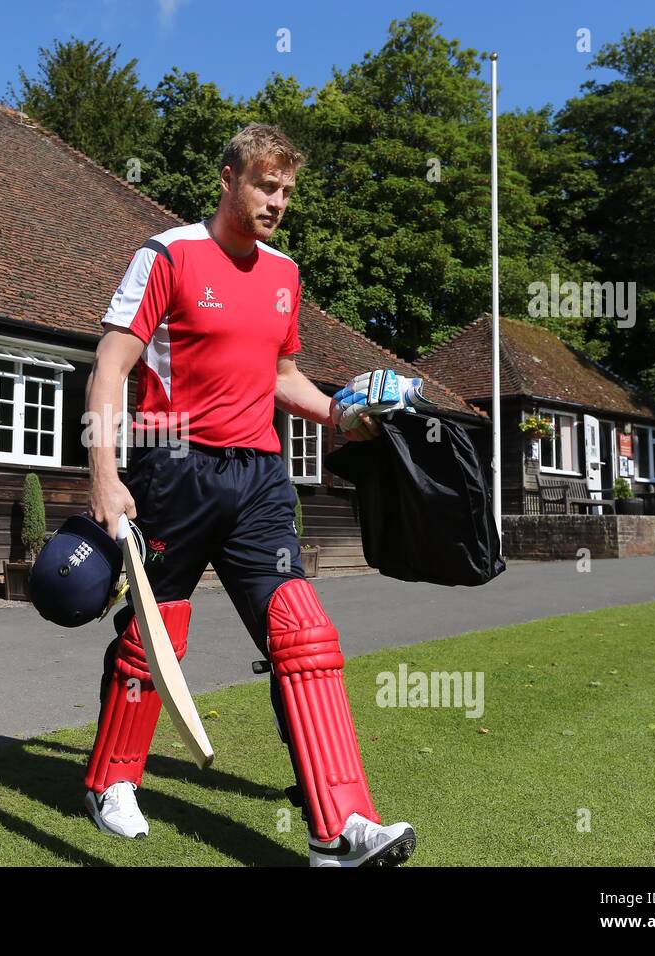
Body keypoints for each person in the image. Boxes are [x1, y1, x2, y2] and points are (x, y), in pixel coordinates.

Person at [82, 123, 415, 867]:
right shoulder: (166, 254)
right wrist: (104, 475)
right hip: (172, 464)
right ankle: (112, 783)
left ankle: (343, 826)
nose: (278, 202)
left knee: (304, 631)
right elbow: (110, 365)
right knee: (155, 634)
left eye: (288, 192)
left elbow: (280, 376)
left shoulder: (284, 274)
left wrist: (340, 414)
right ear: (229, 176)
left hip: (260, 475)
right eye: (267, 185)